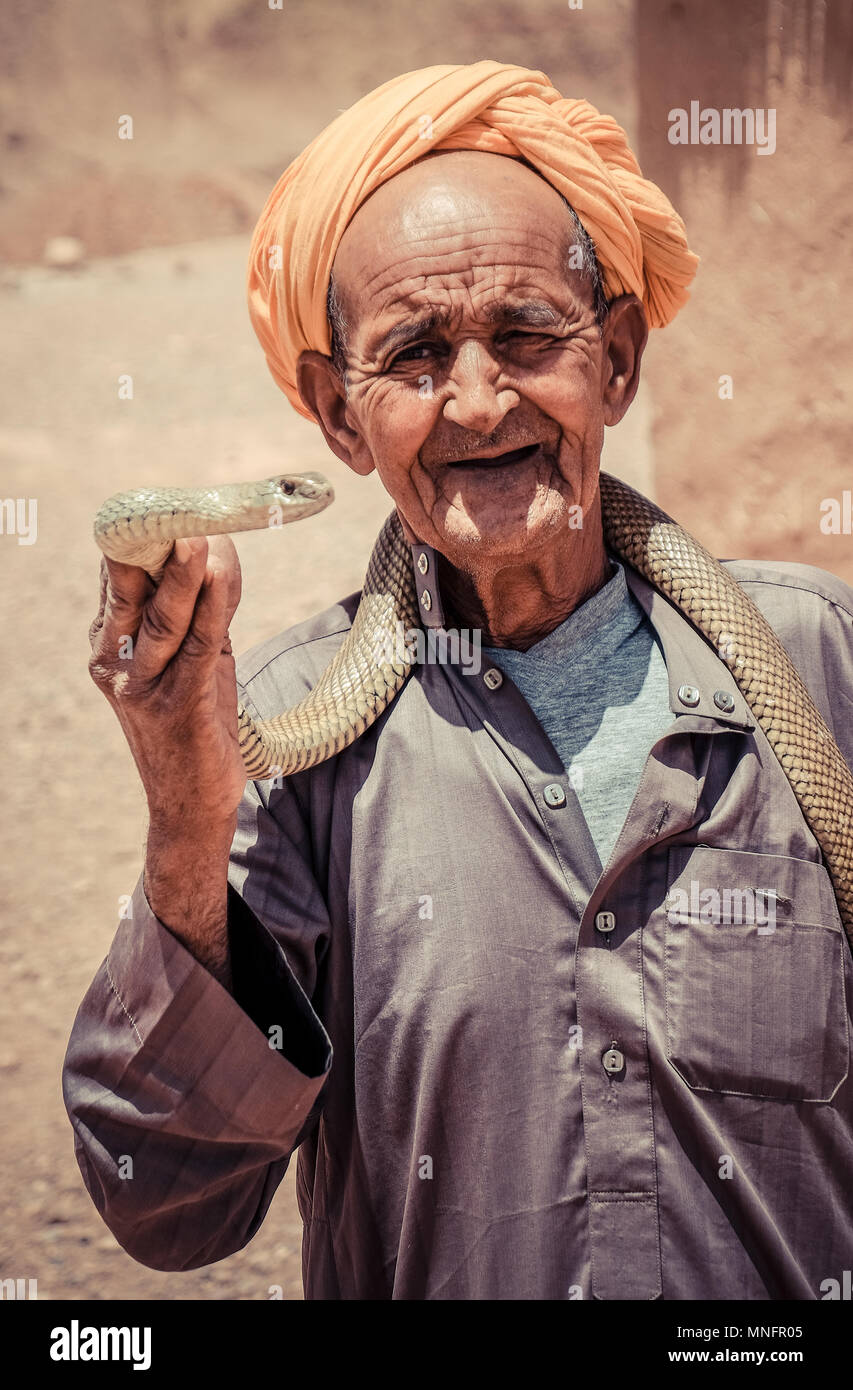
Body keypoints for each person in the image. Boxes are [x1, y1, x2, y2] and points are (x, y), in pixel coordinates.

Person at [65, 61, 853, 1301]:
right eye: (416, 354)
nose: (479, 400)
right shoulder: (277, 732)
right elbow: (165, 1206)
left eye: (530, 335)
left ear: (618, 360)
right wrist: (184, 825)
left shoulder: (819, 660)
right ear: (340, 414)